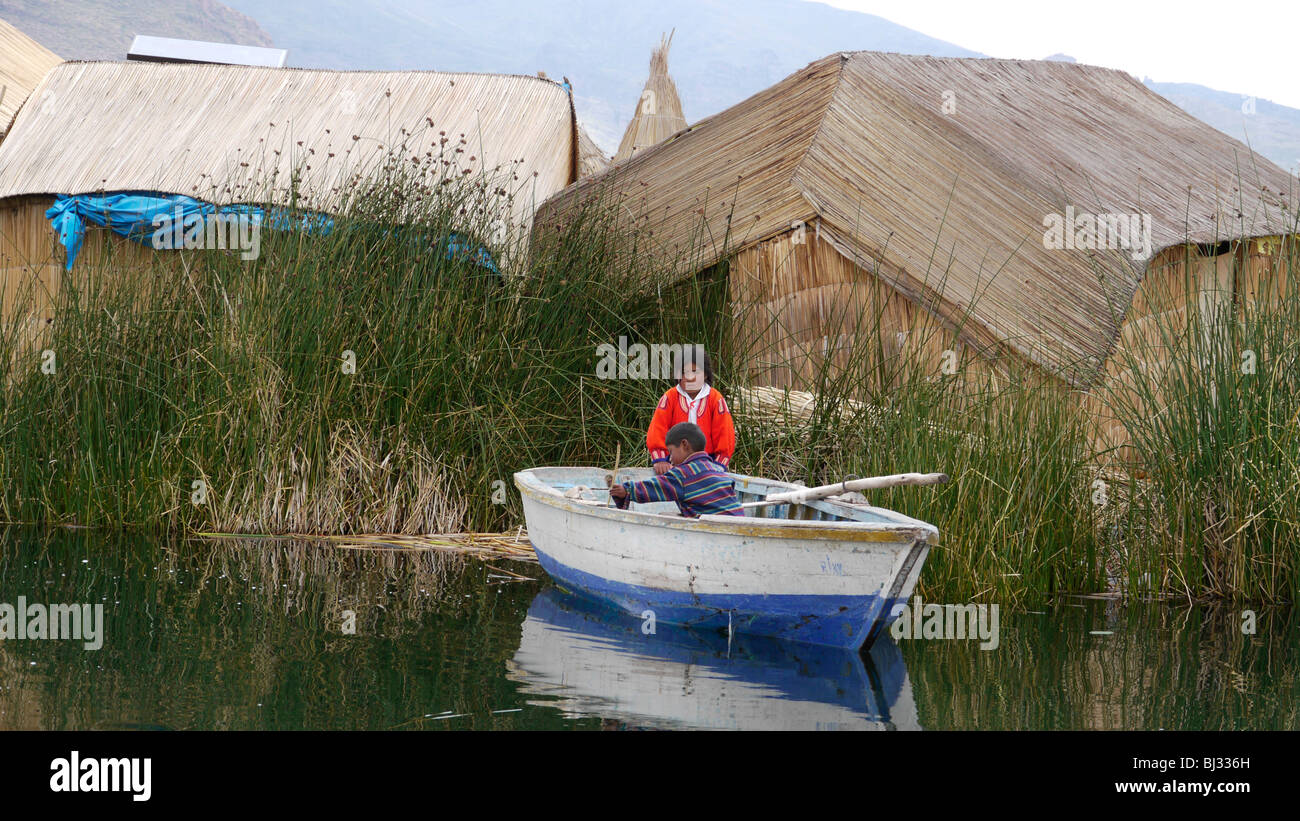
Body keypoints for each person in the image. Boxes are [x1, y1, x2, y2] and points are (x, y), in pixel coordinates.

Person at [611, 422, 744, 517]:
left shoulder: (683, 474)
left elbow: (655, 487)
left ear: (684, 445)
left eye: (671, 452)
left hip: (717, 531)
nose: (670, 459)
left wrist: (627, 490)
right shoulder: (717, 470)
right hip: (739, 521)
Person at [646, 348, 735, 475]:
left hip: (707, 464)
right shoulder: (670, 397)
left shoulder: (715, 399)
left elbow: (725, 433)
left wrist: (718, 465)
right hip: (674, 463)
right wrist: (660, 460)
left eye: (695, 372)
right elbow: (658, 428)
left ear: (705, 374)